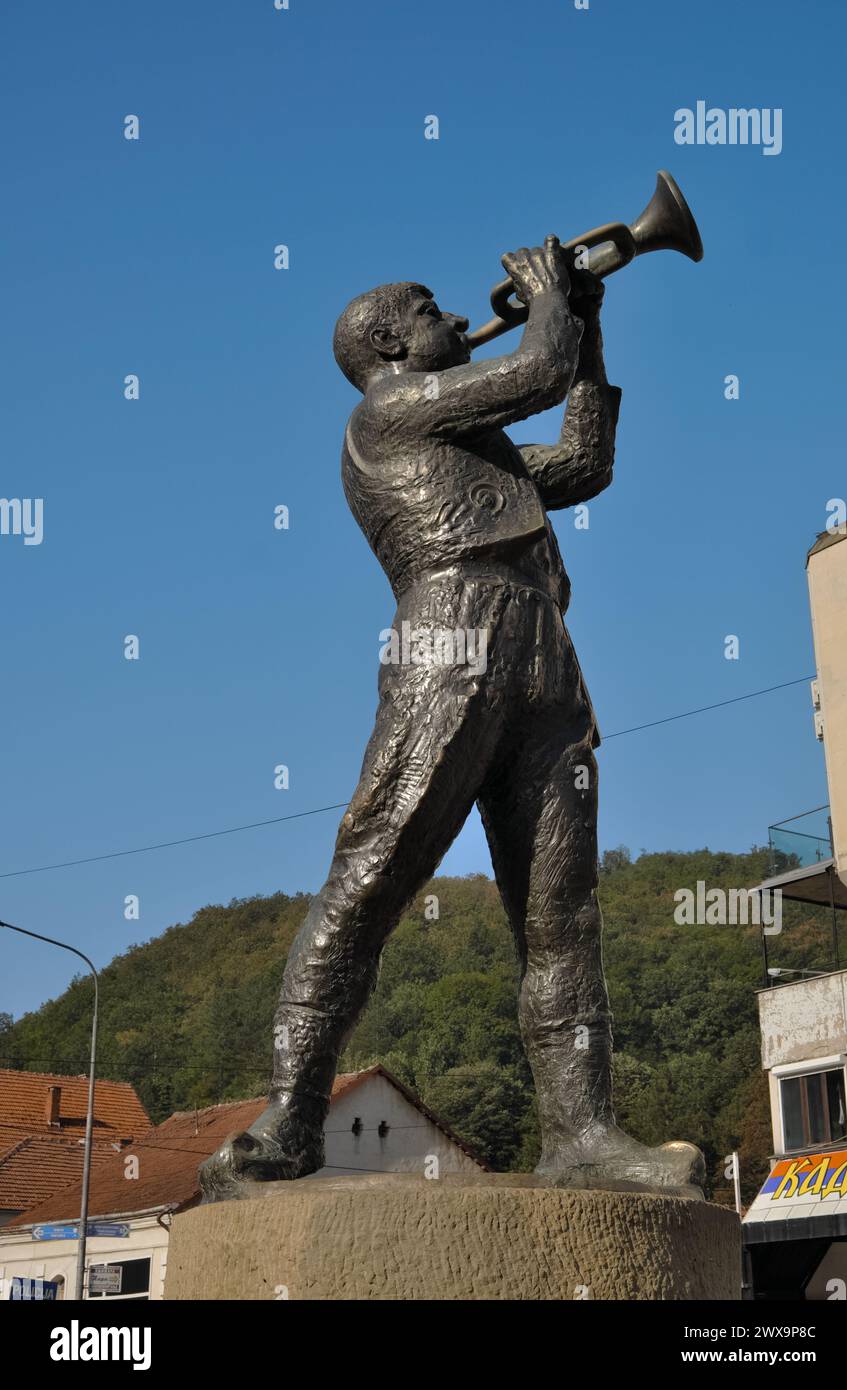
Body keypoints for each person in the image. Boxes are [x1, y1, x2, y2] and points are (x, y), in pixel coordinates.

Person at [200, 237, 703, 1199]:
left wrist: (588, 334)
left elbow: (588, 463)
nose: (457, 319)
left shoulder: (480, 443)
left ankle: (583, 1136)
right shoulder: (385, 412)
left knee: (563, 916)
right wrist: (555, 307)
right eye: (432, 311)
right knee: (373, 873)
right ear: (389, 343)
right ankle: (291, 1116)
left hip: (543, 650)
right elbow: (535, 368)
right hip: (450, 638)